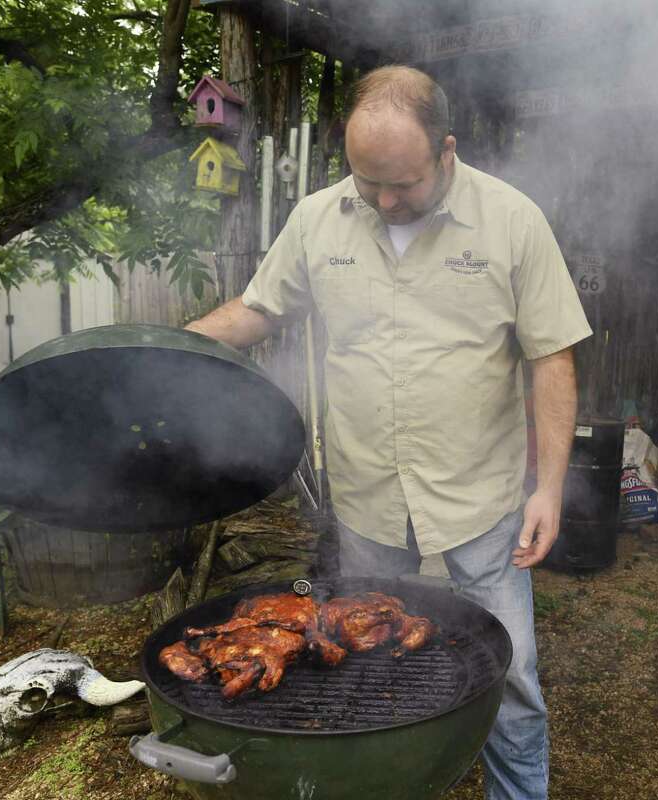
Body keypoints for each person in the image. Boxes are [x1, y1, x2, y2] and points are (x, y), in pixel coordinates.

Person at [186, 65, 591, 799]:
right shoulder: (318, 219)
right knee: (362, 660)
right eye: (367, 181)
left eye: (401, 183)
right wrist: (170, 350)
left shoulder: (511, 221)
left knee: (517, 678)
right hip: (367, 493)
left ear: (446, 150)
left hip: (480, 500)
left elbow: (552, 356)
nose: (383, 200)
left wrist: (551, 488)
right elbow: (258, 309)